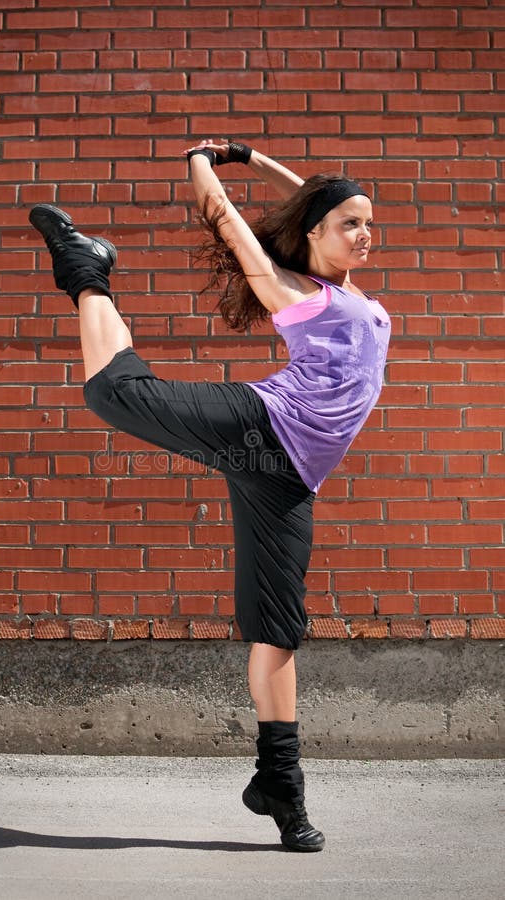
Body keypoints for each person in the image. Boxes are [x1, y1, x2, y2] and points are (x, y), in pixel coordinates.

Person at [29, 139, 391, 853]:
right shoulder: (292, 292)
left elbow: (311, 196)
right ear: (317, 234)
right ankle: (86, 271)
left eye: (368, 223)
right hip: (264, 427)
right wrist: (205, 157)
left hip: (291, 478)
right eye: (350, 224)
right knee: (115, 393)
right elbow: (223, 216)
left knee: (278, 626)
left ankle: (279, 783)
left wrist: (254, 157)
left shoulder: (351, 293)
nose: (364, 233)